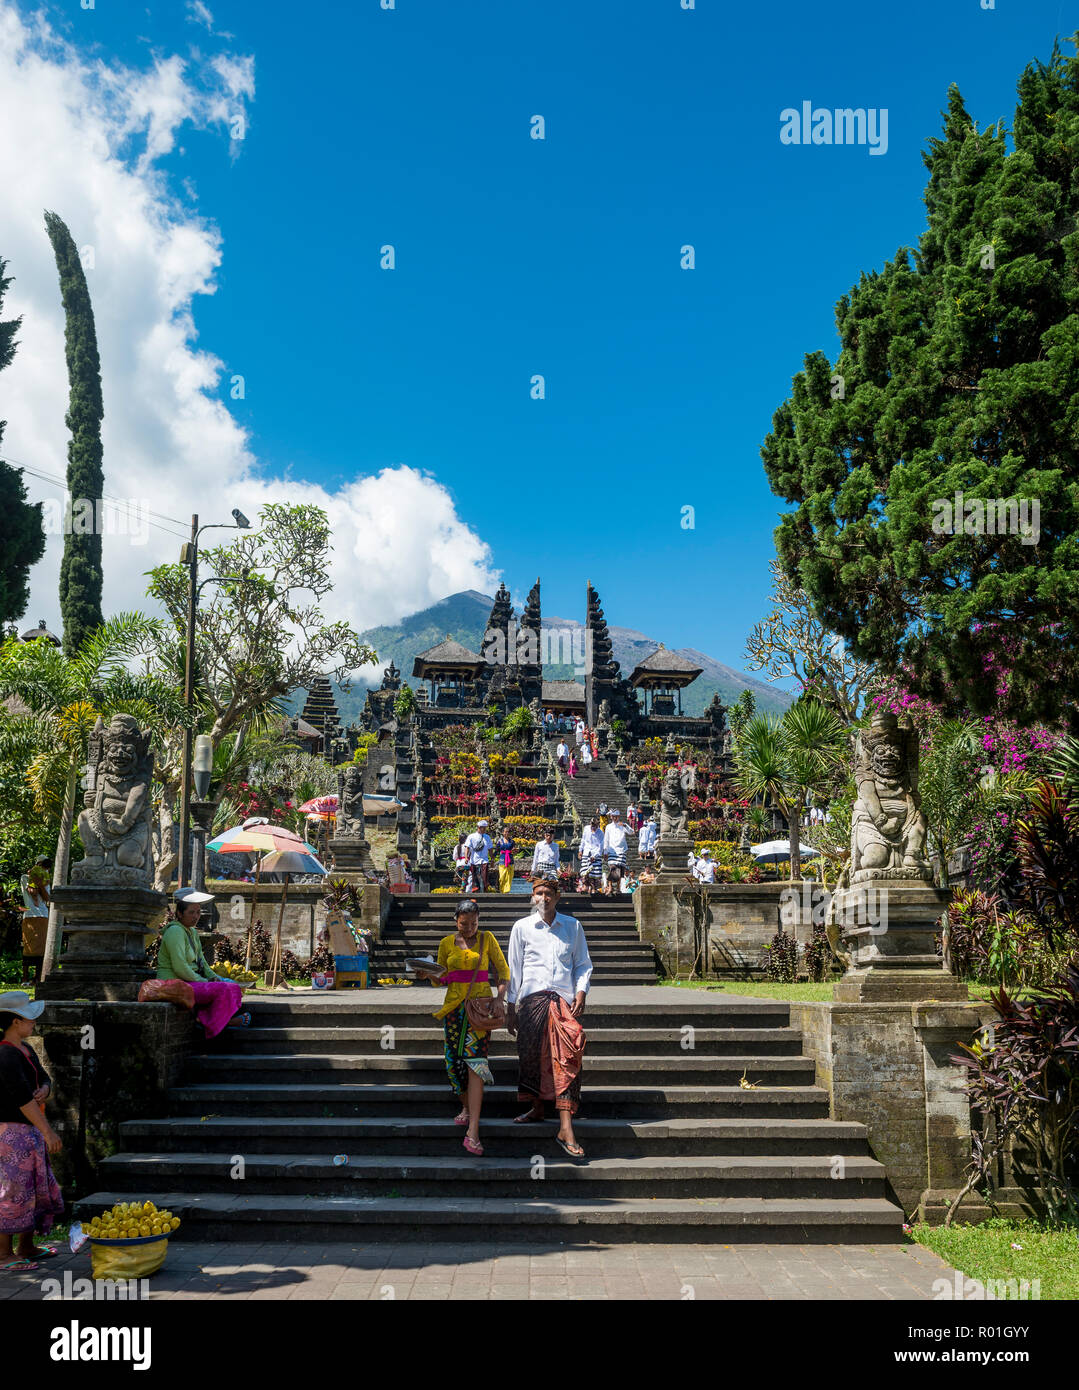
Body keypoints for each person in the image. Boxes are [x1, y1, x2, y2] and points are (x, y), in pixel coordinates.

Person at [507, 878, 592, 1159]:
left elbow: (582, 964)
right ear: (532, 897)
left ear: (558, 896)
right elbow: (514, 969)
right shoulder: (522, 927)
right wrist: (509, 1006)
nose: (543, 898)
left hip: (563, 1001)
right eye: (538, 893)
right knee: (532, 1057)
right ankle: (538, 1107)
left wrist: (581, 991)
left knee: (568, 1057)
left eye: (548, 894)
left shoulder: (572, 926)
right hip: (531, 1001)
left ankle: (565, 1127)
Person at [417, 899, 508, 1156]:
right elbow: (443, 978)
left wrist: (500, 999)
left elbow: (503, 972)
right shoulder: (446, 943)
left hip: (479, 1010)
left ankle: (474, 1132)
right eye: (464, 923)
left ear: (479, 921)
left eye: (474, 923)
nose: (469, 928)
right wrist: (428, 975)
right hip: (454, 1011)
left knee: (476, 1064)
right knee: (453, 1064)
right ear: (455, 921)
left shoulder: (487, 939)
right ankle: (466, 1108)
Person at [0, 992, 64, 1271]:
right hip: (11, 1133)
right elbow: (21, 1099)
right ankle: (3, 1254)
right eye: (29, 1018)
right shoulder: (4, 1054)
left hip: (30, 1131)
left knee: (34, 1191)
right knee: (12, 1192)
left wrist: (46, 1089)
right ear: (15, 1022)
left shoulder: (25, 1049)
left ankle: (26, 1245)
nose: (34, 1023)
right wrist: (48, 1132)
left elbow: (43, 1077)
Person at [157, 889, 250, 1036]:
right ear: (180, 914)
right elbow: (180, 967)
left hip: (190, 981)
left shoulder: (192, 932)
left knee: (233, 986)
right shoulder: (175, 931)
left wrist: (214, 977)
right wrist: (204, 981)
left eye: (198, 912)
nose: (196, 917)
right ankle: (213, 1024)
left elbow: (201, 962)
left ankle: (210, 1019)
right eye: (191, 912)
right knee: (223, 989)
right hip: (174, 983)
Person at [18, 858, 51, 987]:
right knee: (28, 947)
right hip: (30, 915)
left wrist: (41, 884)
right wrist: (35, 880)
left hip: (43, 916)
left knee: (41, 949)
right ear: (37, 865)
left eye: (45, 868)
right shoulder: (25, 878)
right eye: (41, 866)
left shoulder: (46, 880)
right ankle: (25, 978)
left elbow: (47, 898)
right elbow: (32, 891)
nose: (43, 869)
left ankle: (36, 978)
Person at [602, 809, 629, 894]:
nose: (615, 818)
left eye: (616, 817)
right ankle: (610, 887)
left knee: (620, 870)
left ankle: (618, 888)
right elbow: (606, 840)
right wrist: (605, 851)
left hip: (621, 850)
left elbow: (631, 832)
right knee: (612, 868)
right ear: (611, 817)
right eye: (613, 816)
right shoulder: (608, 827)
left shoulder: (622, 825)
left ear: (618, 817)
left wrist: (625, 825)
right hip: (612, 850)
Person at [464, 820, 493, 893]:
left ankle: (485, 892)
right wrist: (466, 857)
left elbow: (490, 849)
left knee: (484, 878)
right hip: (474, 861)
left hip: (484, 861)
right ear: (479, 827)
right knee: (475, 878)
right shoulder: (471, 836)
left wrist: (492, 859)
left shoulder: (487, 837)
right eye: (484, 828)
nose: (485, 830)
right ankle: (476, 893)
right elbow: (467, 847)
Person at [578, 816, 604, 896]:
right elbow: (583, 840)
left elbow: (601, 847)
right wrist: (580, 850)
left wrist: (595, 856)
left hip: (595, 854)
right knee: (584, 872)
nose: (593, 827)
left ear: (597, 825)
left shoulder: (601, 833)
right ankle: (585, 886)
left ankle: (594, 888)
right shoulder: (586, 829)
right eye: (592, 825)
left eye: (595, 826)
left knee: (594, 874)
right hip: (586, 852)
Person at [494, 826, 516, 894]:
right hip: (502, 860)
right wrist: (492, 858)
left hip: (510, 860)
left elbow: (514, 850)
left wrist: (515, 851)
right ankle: (501, 890)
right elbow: (497, 851)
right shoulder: (499, 841)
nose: (507, 833)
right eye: (505, 832)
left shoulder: (512, 842)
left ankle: (507, 891)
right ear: (503, 833)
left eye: (508, 832)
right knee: (502, 877)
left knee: (509, 877)